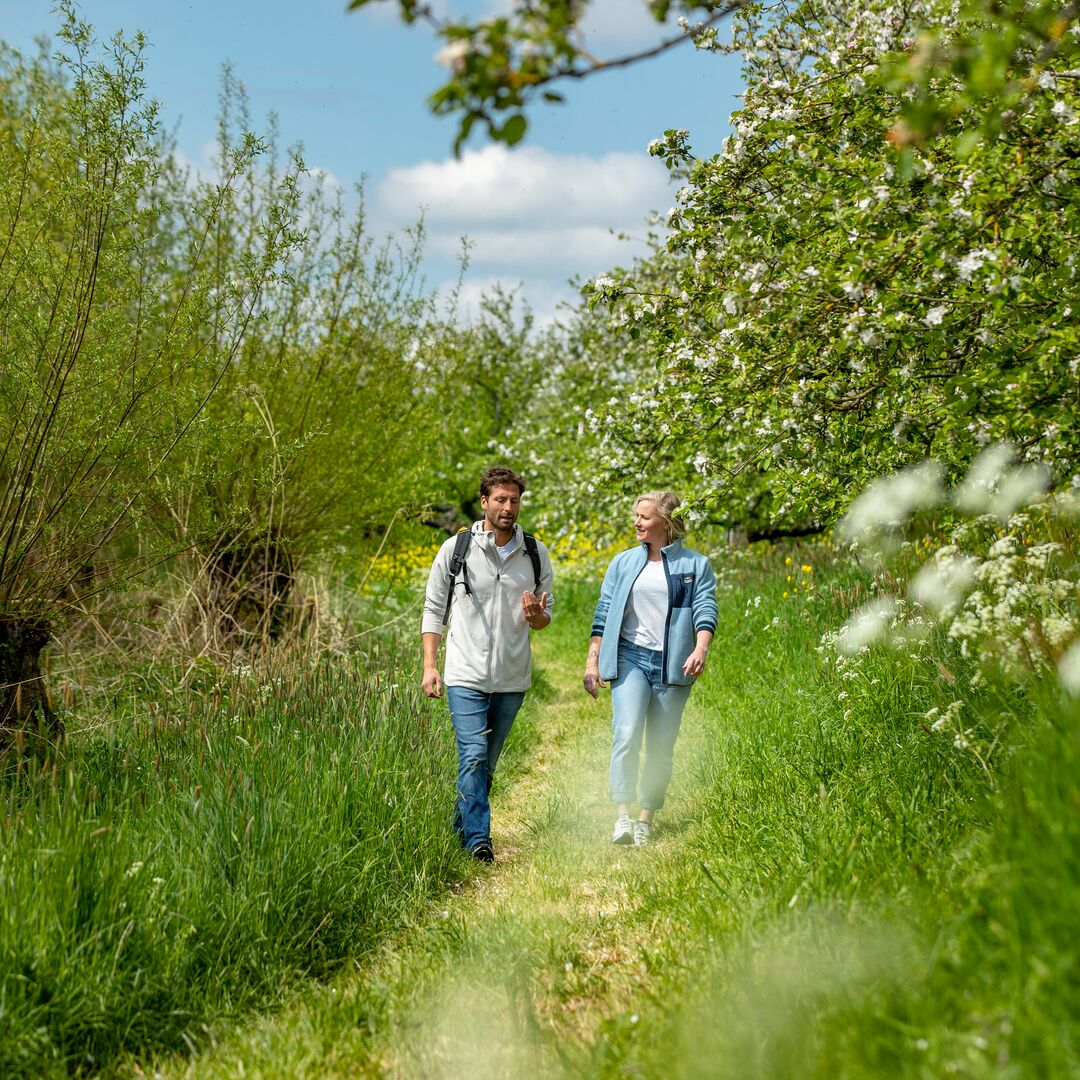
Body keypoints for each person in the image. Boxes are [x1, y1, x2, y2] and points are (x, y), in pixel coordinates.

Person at [421, 466, 554, 863]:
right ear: (484, 502)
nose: (508, 507)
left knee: (486, 764)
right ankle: (479, 841)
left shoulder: (534, 552)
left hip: (512, 677)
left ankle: (461, 827)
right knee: (474, 754)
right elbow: (433, 610)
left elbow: (548, 616)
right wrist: (430, 666)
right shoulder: (456, 549)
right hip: (465, 673)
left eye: (514, 500)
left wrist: (537, 618)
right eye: (500, 499)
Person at [583, 491, 717, 846]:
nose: (637, 522)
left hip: (673, 666)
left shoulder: (695, 565)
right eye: (636, 515)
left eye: (644, 517)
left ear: (666, 522)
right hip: (630, 657)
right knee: (626, 732)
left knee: (660, 745)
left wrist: (700, 647)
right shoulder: (623, 563)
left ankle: (646, 818)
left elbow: (706, 610)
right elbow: (603, 613)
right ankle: (623, 817)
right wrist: (592, 661)